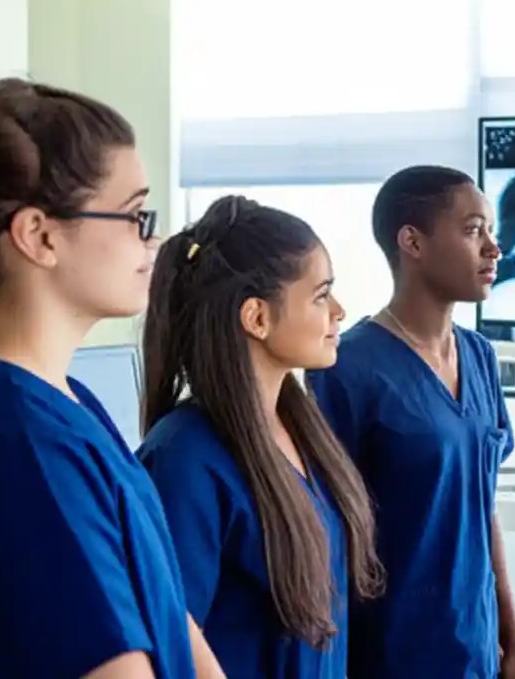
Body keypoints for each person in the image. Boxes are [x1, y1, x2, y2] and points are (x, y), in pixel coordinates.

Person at [0, 78, 224, 679]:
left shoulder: (59, 400)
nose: (152, 240)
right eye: (134, 215)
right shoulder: (16, 446)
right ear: (40, 235)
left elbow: (161, 604)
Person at [136, 195, 384, 677]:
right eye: (320, 294)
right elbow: (169, 645)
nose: (339, 310)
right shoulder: (184, 460)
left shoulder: (301, 429)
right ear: (256, 318)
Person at [306, 165, 515, 679]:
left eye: (491, 231)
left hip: (473, 649)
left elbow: (483, 509)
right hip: (391, 653)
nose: (494, 248)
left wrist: (513, 643)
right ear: (412, 241)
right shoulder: (348, 367)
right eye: (474, 230)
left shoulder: (478, 357)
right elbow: (322, 536)